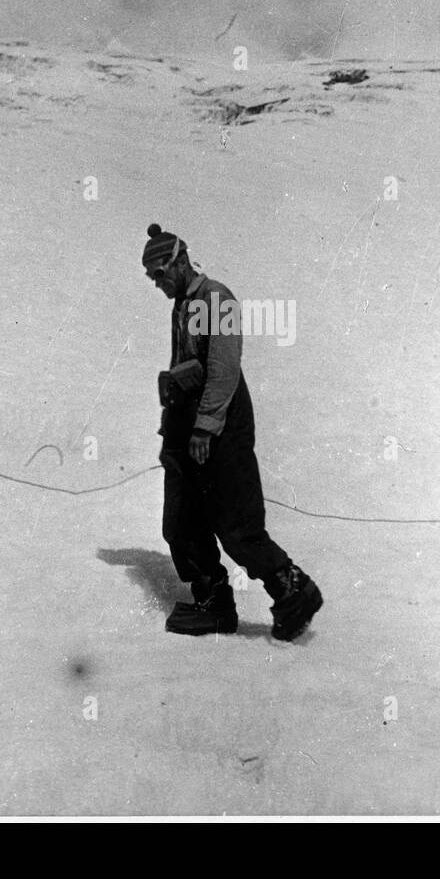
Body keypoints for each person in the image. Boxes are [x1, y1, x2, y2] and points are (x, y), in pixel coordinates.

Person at [143, 224, 322, 640]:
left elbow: (224, 370)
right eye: (152, 278)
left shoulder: (215, 298)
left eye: (160, 275)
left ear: (180, 262)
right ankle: (213, 603)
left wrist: (205, 427)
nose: (158, 284)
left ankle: (293, 590)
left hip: (221, 424)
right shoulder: (185, 302)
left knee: (236, 522)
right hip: (190, 422)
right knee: (182, 520)